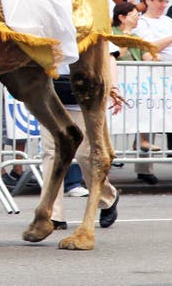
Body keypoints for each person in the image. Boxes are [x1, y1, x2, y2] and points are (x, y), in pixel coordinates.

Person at [41, 68, 123, 230]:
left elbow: (108, 56)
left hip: (84, 101)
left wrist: (113, 87)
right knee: (52, 153)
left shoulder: (93, 41)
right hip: (51, 97)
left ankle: (107, 197)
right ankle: (53, 214)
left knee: (84, 156)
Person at [132, 0, 172, 184]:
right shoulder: (141, 23)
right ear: (148, 0)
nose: (163, 5)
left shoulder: (169, 21)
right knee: (148, 116)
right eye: (160, 1)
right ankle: (144, 168)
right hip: (150, 78)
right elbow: (147, 48)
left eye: (165, 1)